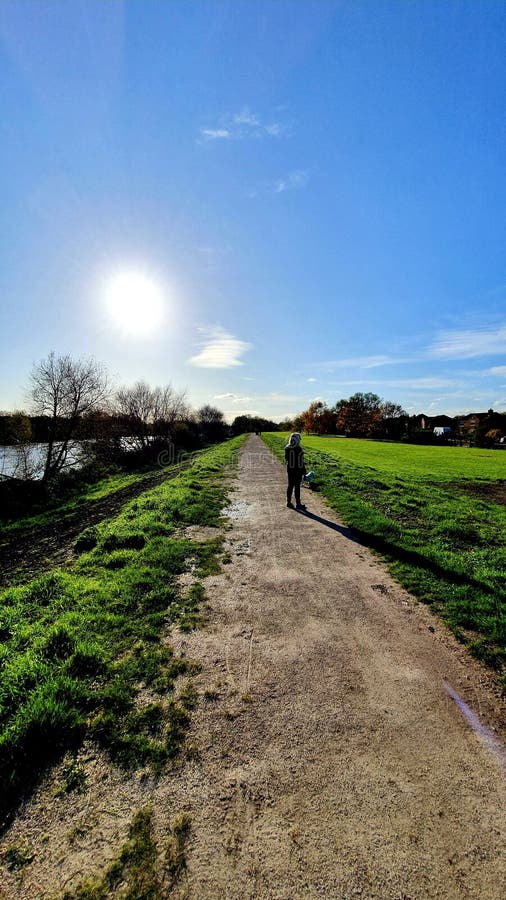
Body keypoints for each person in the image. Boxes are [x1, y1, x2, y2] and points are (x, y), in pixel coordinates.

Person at [284, 432, 306, 509]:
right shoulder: (299, 449)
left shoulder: (287, 448)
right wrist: (304, 471)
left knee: (290, 486)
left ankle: (288, 502)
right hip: (298, 470)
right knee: (297, 487)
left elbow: (286, 459)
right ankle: (298, 503)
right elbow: (301, 462)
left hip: (290, 469)